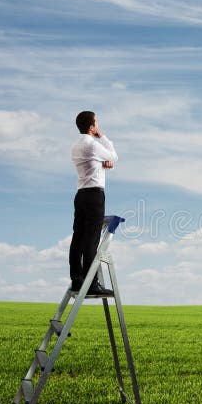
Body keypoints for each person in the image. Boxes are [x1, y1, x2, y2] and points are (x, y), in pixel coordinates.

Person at [69, 110, 117, 296]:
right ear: (91, 127)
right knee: (92, 239)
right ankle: (92, 283)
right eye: (96, 122)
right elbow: (114, 156)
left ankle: (77, 280)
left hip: (80, 195)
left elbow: (98, 161)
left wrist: (102, 162)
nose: (98, 125)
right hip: (95, 196)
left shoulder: (76, 146)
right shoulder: (93, 144)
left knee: (78, 237)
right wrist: (102, 136)